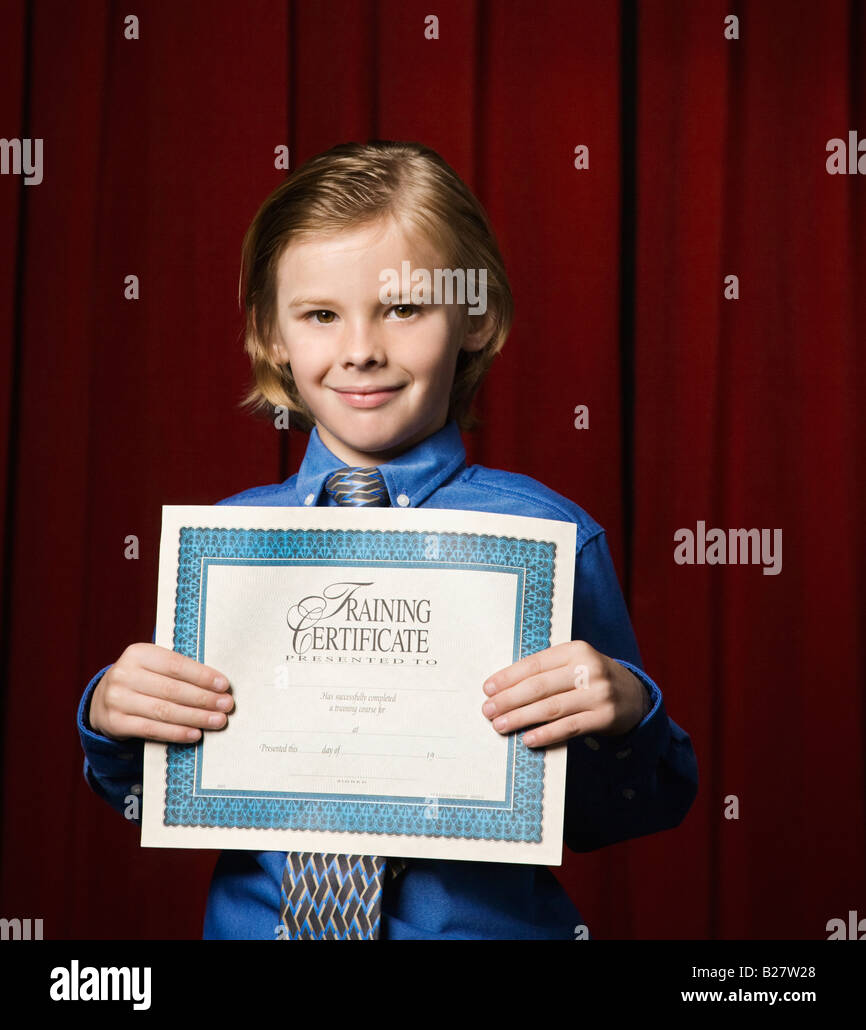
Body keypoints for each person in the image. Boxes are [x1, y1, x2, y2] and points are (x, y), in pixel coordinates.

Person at [77, 138, 698, 940]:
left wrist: (626, 711)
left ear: (477, 317)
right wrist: (114, 714)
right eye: (321, 315)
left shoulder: (549, 537)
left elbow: (626, 813)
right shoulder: (228, 547)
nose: (362, 348)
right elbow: (155, 783)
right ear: (272, 333)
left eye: (404, 308)